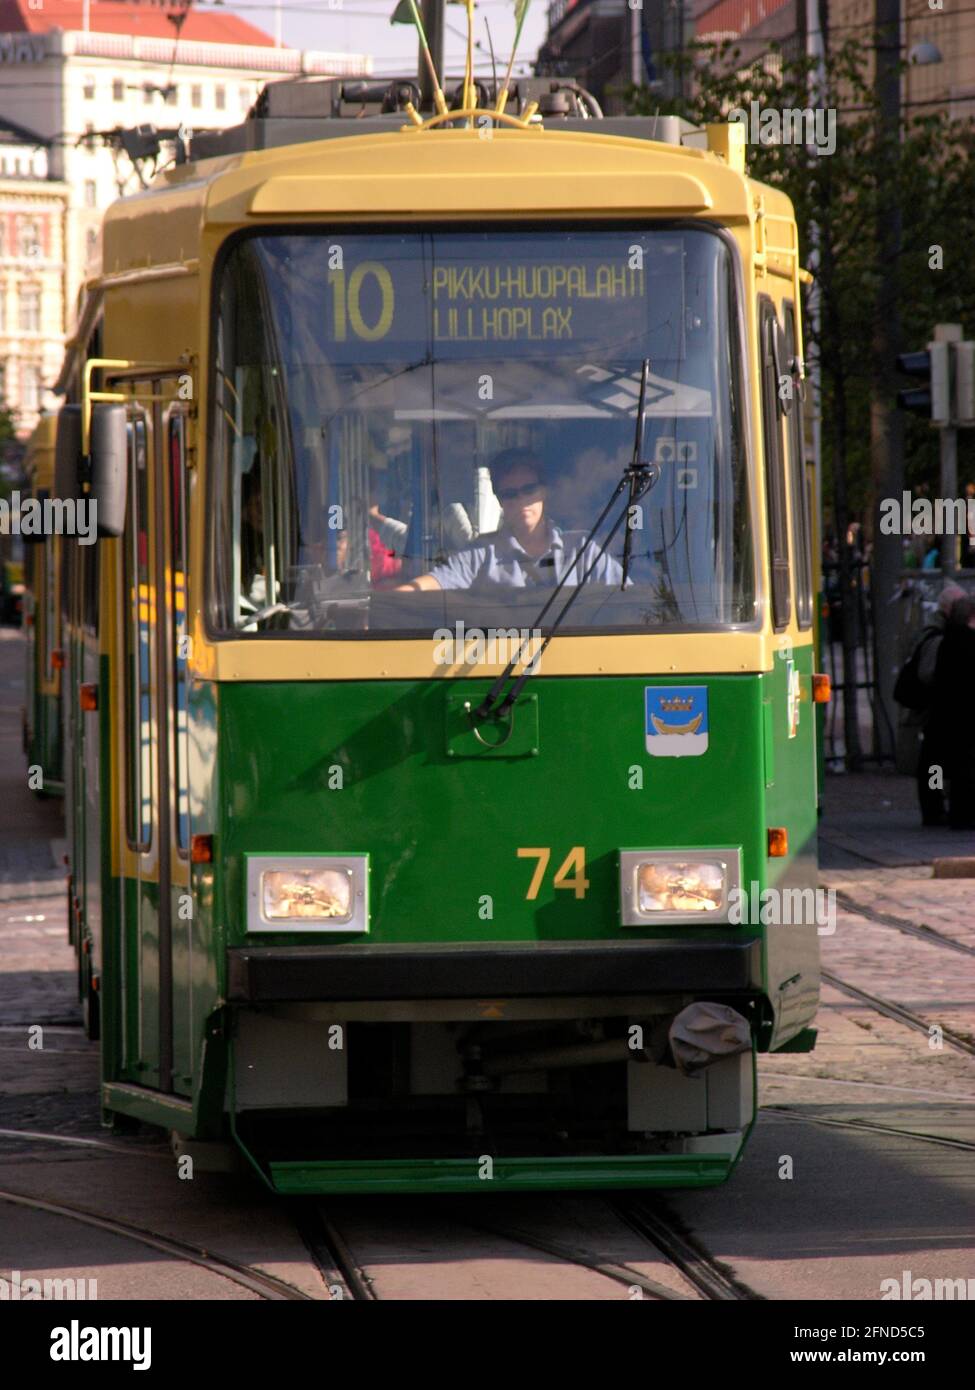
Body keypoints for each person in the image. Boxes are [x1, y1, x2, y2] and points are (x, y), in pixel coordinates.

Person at [395, 448, 627, 592]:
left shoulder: (583, 550)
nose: (521, 499)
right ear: (500, 500)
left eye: (529, 489)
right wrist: (391, 602)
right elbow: (434, 582)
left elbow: (626, 595)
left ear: (544, 491)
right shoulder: (481, 554)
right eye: (510, 494)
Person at [899, 583, 964, 826]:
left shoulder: (936, 632)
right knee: (934, 763)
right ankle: (933, 806)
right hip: (932, 712)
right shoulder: (937, 637)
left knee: (936, 761)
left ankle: (935, 804)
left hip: (935, 710)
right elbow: (928, 674)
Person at [931, 593, 975, 830]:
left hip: (942, 714)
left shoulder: (944, 639)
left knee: (937, 765)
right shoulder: (965, 642)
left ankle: (936, 809)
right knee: (938, 768)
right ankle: (936, 809)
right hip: (960, 716)